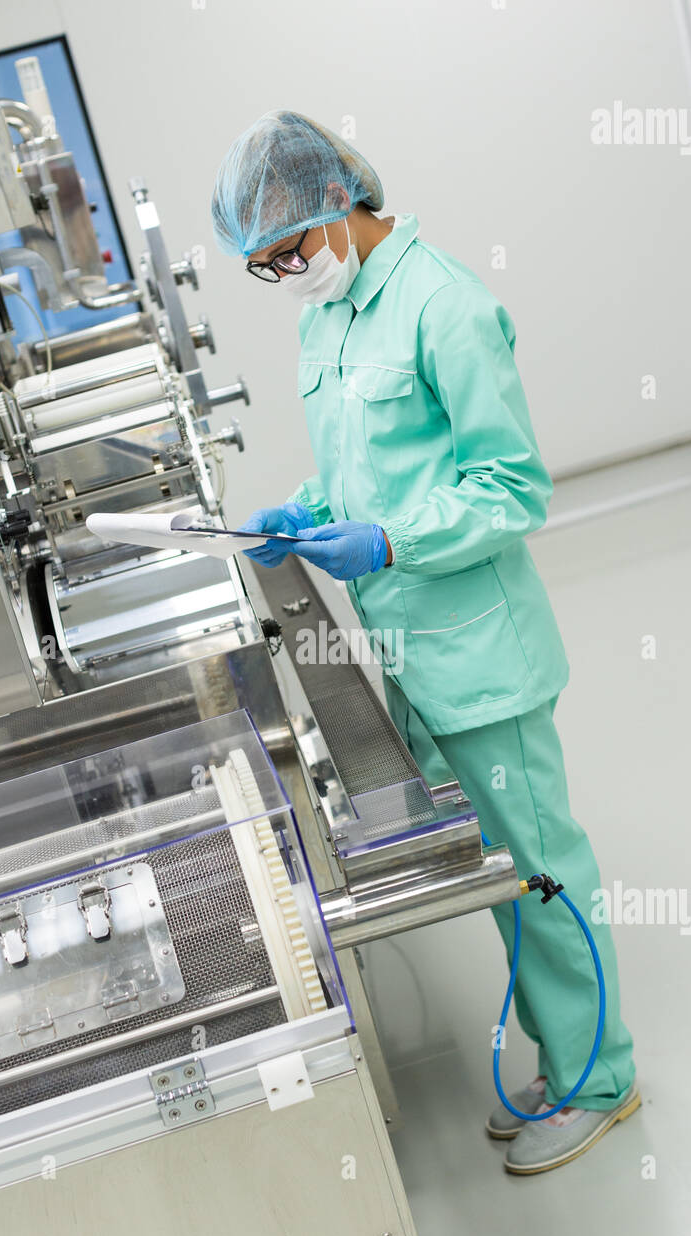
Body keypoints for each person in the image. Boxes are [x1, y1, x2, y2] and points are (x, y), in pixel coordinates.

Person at [211, 110, 639, 1173]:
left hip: (481, 659)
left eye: (290, 250)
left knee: (541, 870)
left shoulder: (444, 306)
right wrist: (308, 513)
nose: (288, 275)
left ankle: (602, 1079)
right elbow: (367, 474)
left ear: (337, 203)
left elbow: (511, 488)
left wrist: (391, 541)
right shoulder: (328, 318)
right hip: (406, 653)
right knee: (498, 874)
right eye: (267, 267)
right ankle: (566, 1054)